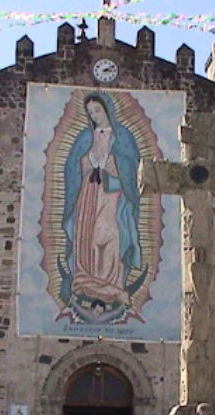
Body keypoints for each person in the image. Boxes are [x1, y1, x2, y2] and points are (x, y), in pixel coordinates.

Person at [61, 92, 143, 317]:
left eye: (98, 110)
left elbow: (133, 164)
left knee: (111, 235)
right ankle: (86, 281)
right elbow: (71, 165)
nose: (95, 116)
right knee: (87, 236)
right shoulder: (84, 137)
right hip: (89, 192)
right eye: (90, 113)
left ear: (107, 109)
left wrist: (111, 162)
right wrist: (87, 161)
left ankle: (113, 285)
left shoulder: (122, 136)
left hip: (114, 192)